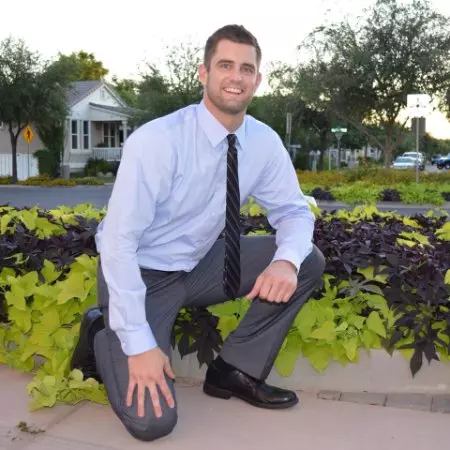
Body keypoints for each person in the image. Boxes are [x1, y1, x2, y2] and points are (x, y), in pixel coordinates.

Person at [71, 24, 325, 442]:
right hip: (144, 274)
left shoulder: (263, 141)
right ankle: (104, 327)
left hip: (205, 264)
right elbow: (116, 243)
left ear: (257, 81)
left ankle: (234, 372)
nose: (236, 77)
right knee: (153, 423)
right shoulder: (157, 141)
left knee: (306, 260)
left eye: (246, 68)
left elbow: (295, 211)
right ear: (203, 73)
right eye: (225, 65)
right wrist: (137, 344)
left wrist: (284, 260)